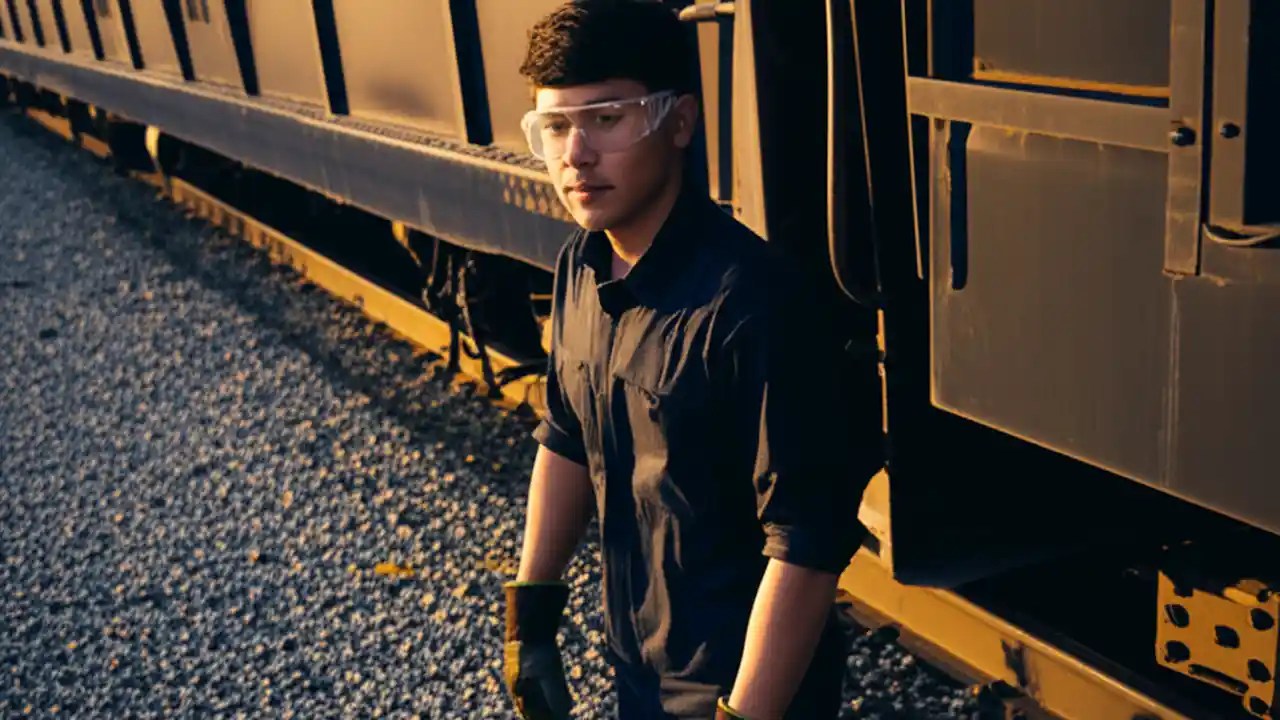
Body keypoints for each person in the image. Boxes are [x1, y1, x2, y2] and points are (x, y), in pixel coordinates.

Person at [501, 1, 881, 718]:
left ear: (679, 122)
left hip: (743, 696)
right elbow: (565, 437)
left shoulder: (756, 306)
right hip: (636, 674)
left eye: (606, 118)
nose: (576, 154)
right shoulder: (580, 271)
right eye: (555, 127)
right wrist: (534, 619)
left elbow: (806, 540)